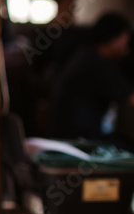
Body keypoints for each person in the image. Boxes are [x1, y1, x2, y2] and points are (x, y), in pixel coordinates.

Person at [47, 11, 134, 144]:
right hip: (78, 139)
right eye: (125, 39)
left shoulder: (85, 56)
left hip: (68, 135)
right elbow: (131, 98)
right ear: (114, 38)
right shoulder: (96, 65)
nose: (126, 48)